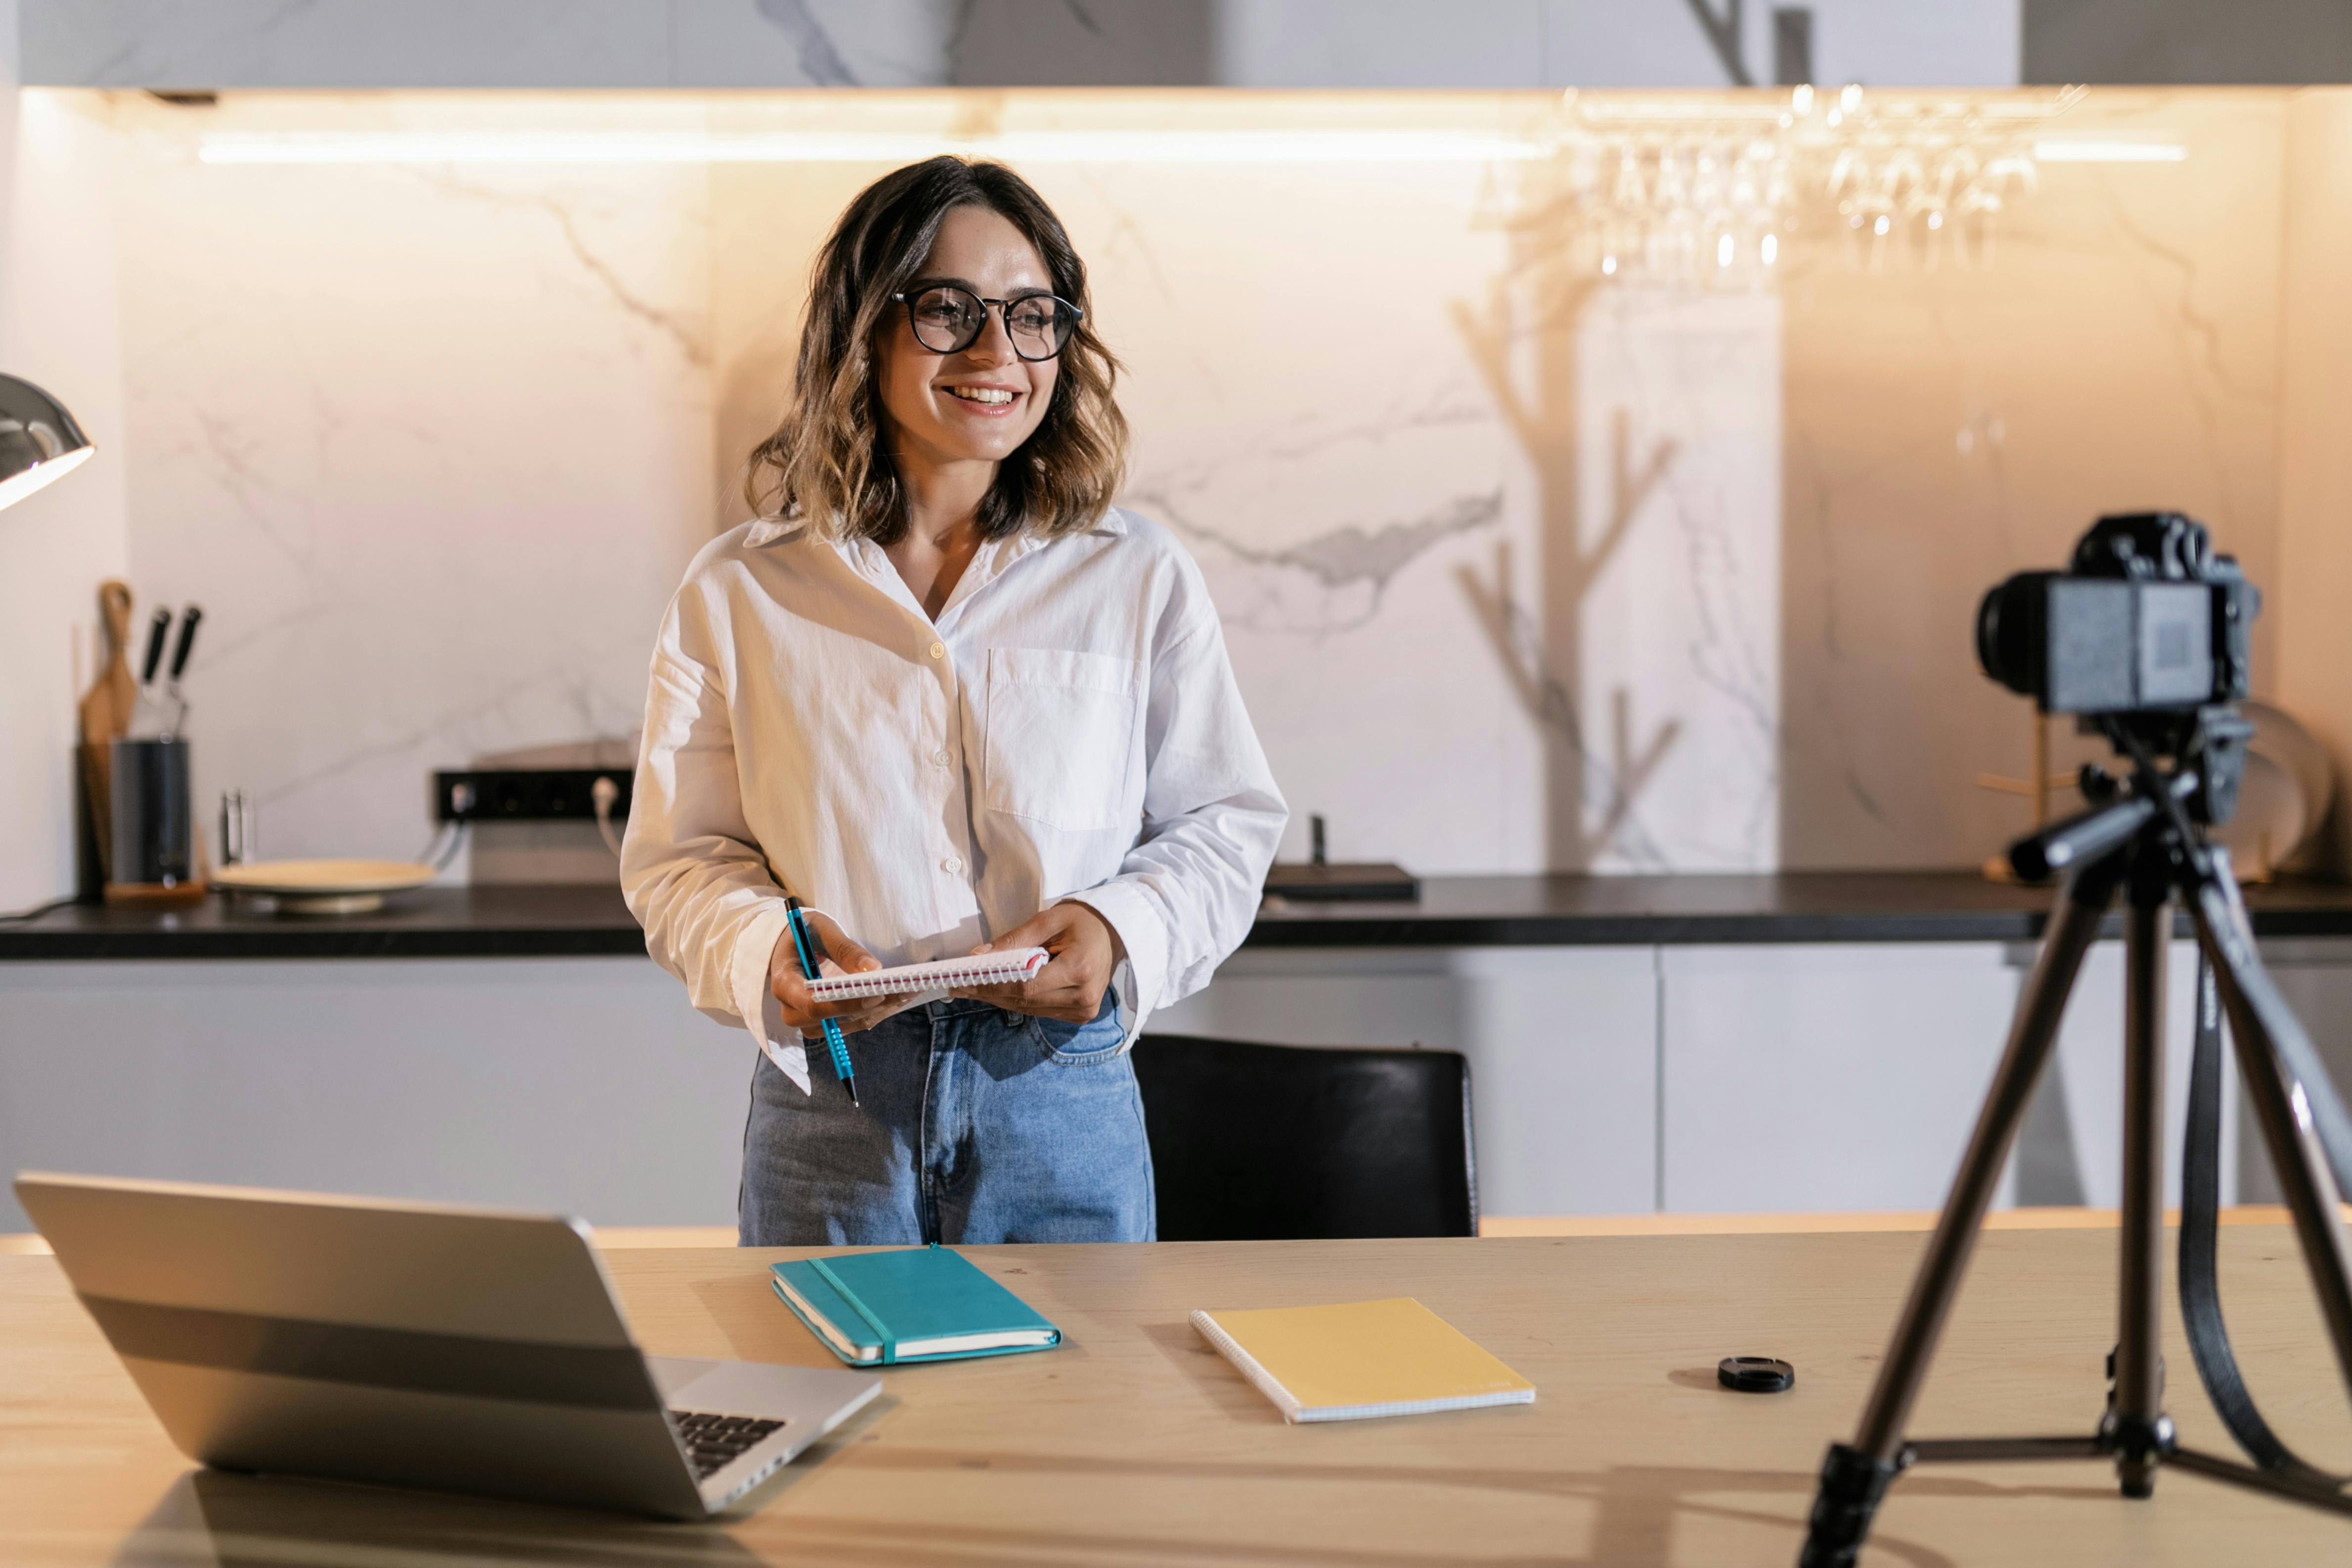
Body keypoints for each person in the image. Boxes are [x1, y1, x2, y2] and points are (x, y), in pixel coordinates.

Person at [621, 157, 1286, 1247]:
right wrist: (764, 952)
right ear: (862, 329)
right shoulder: (739, 588)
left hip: (1060, 1097)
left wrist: (1121, 929)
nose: (997, 353)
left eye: (1032, 316)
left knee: (1073, 1415)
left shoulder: (1135, 572)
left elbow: (1226, 821)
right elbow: (682, 858)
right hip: (831, 1104)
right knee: (837, 1410)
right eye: (948, 311)